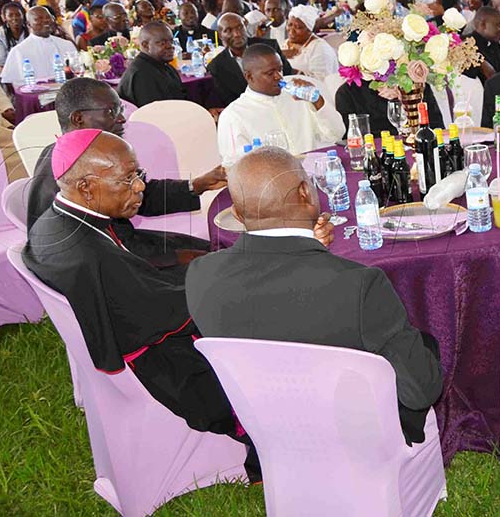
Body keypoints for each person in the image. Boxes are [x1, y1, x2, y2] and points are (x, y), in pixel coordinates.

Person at [23, 129, 261, 481]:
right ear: (87, 187)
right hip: (164, 358)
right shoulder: (89, 256)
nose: (140, 187)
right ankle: (266, 437)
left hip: (141, 315)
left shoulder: (62, 218)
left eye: (138, 175)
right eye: (128, 180)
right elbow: (171, 312)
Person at [186, 146, 443, 445]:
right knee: (424, 348)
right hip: (361, 437)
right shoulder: (358, 284)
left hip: (267, 432)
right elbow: (421, 390)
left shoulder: (200, 276)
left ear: (239, 214)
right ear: (306, 195)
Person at [26, 78, 224, 231]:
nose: (122, 119)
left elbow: (144, 195)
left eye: (121, 110)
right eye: (111, 111)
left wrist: (197, 184)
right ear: (78, 118)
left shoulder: (96, 154)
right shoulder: (67, 169)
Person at [216, 43, 344, 159]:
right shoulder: (234, 115)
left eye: (280, 69)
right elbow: (234, 166)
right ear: (249, 76)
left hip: (312, 174)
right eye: (270, 73)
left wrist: (317, 101)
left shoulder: (299, 95)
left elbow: (336, 134)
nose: (279, 76)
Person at [206, 13, 294, 108]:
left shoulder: (270, 47)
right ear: (220, 35)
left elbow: (288, 76)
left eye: (240, 27)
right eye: (228, 31)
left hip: (281, 103)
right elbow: (228, 101)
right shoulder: (217, 66)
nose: (237, 34)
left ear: (245, 26)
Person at [0, 7, 75, 86]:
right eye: (39, 19)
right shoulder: (18, 51)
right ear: (29, 24)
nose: (46, 21)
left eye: (48, 17)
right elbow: (10, 83)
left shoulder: (66, 44)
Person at [117, 22, 187, 107]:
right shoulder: (141, 74)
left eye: (171, 41)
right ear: (145, 45)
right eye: (162, 43)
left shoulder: (165, 66)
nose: (170, 46)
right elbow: (152, 113)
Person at [282, 5, 339, 85]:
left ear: (309, 30)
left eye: (298, 27)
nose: (291, 31)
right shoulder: (287, 43)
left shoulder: (320, 49)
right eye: (290, 25)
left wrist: (289, 70)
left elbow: (322, 83)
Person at [463, 6, 500, 82]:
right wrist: (480, 63)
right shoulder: (465, 46)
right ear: (483, 25)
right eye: (499, 25)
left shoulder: (494, 45)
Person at [0, 1, 28, 72]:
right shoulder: (0, 33)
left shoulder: (30, 30)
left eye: (18, 15)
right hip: (8, 70)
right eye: (10, 15)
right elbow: (1, 60)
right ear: (5, 18)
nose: (15, 18)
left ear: (23, 15)